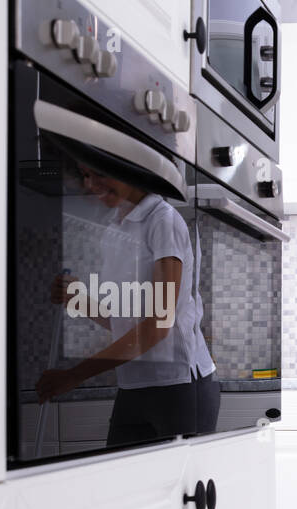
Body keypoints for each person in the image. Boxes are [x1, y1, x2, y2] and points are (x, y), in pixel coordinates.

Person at [36, 161, 219, 446]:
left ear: (130, 167)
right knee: (125, 483)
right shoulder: (114, 231)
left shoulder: (163, 220)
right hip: (134, 384)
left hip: (179, 384)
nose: (90, 184)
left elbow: (157, 326)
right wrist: (80, 301)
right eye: (85, 174)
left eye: (100, 171)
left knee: (176, 486)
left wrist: (74, 375)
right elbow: (125, 323)